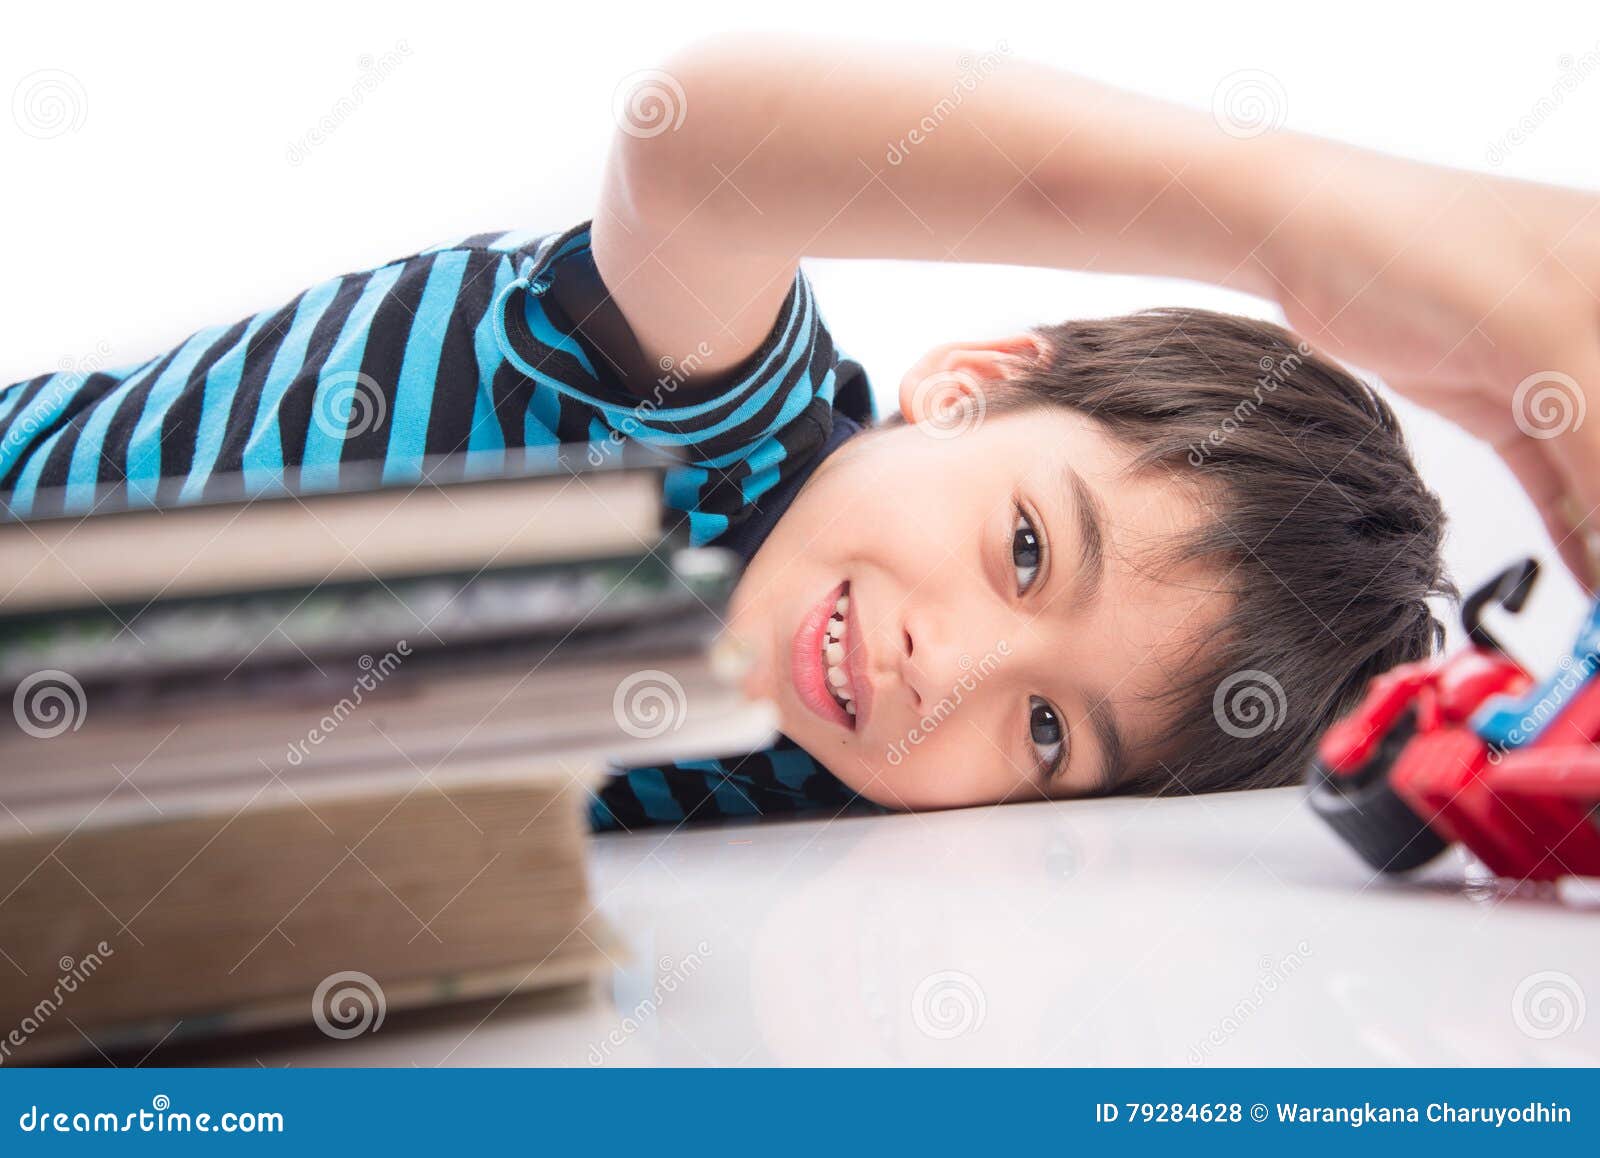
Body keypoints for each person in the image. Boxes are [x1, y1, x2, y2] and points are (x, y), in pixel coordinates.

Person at [3, 35, 1595, 830]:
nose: (947, 670)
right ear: (966, 380)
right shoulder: (712, 421)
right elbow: (702, 145)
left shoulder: (816, 771)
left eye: (1045, 736)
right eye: (1027, 546)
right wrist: (1293, 232)